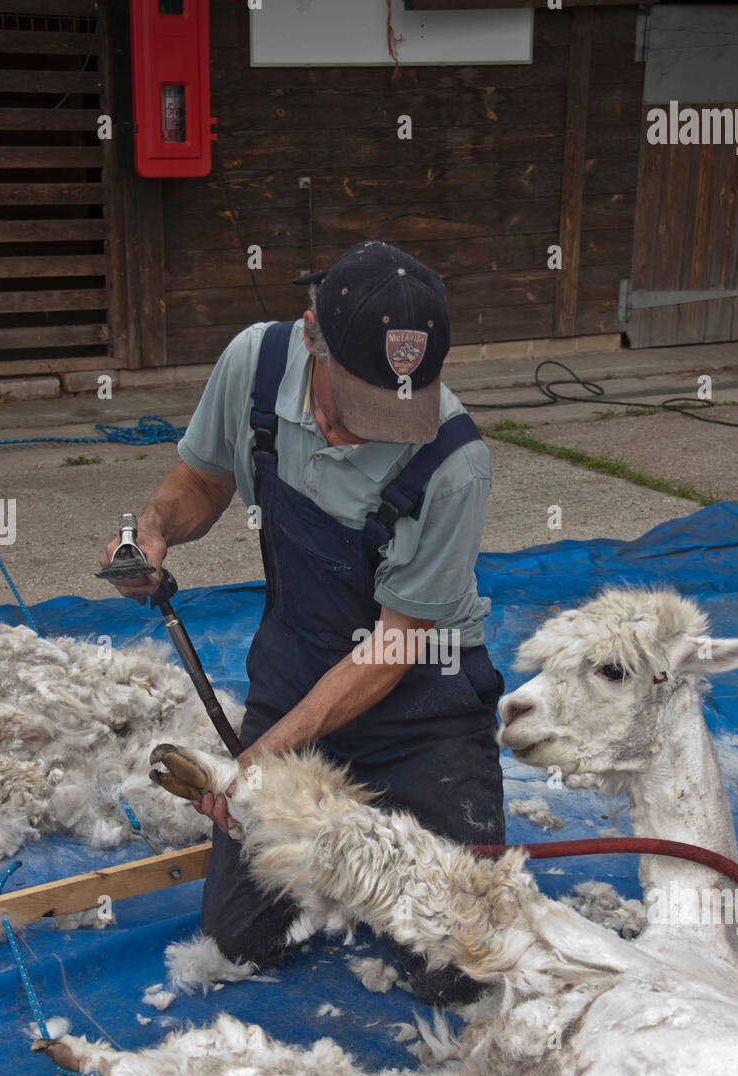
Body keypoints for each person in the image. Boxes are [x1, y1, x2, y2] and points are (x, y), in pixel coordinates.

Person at [100, 240, 504, 1004]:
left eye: (395, 414)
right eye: (355, 410)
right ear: (313, 336)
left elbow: (392, 648)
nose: (366, 433)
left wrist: (258, 762)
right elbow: (203, 480)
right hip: (296, 676)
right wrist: (153, 527)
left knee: (460, 968)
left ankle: (404, 829)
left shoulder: (456, 461)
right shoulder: (255, 363)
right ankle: (348, 855)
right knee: (235, 941)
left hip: (423, 709)